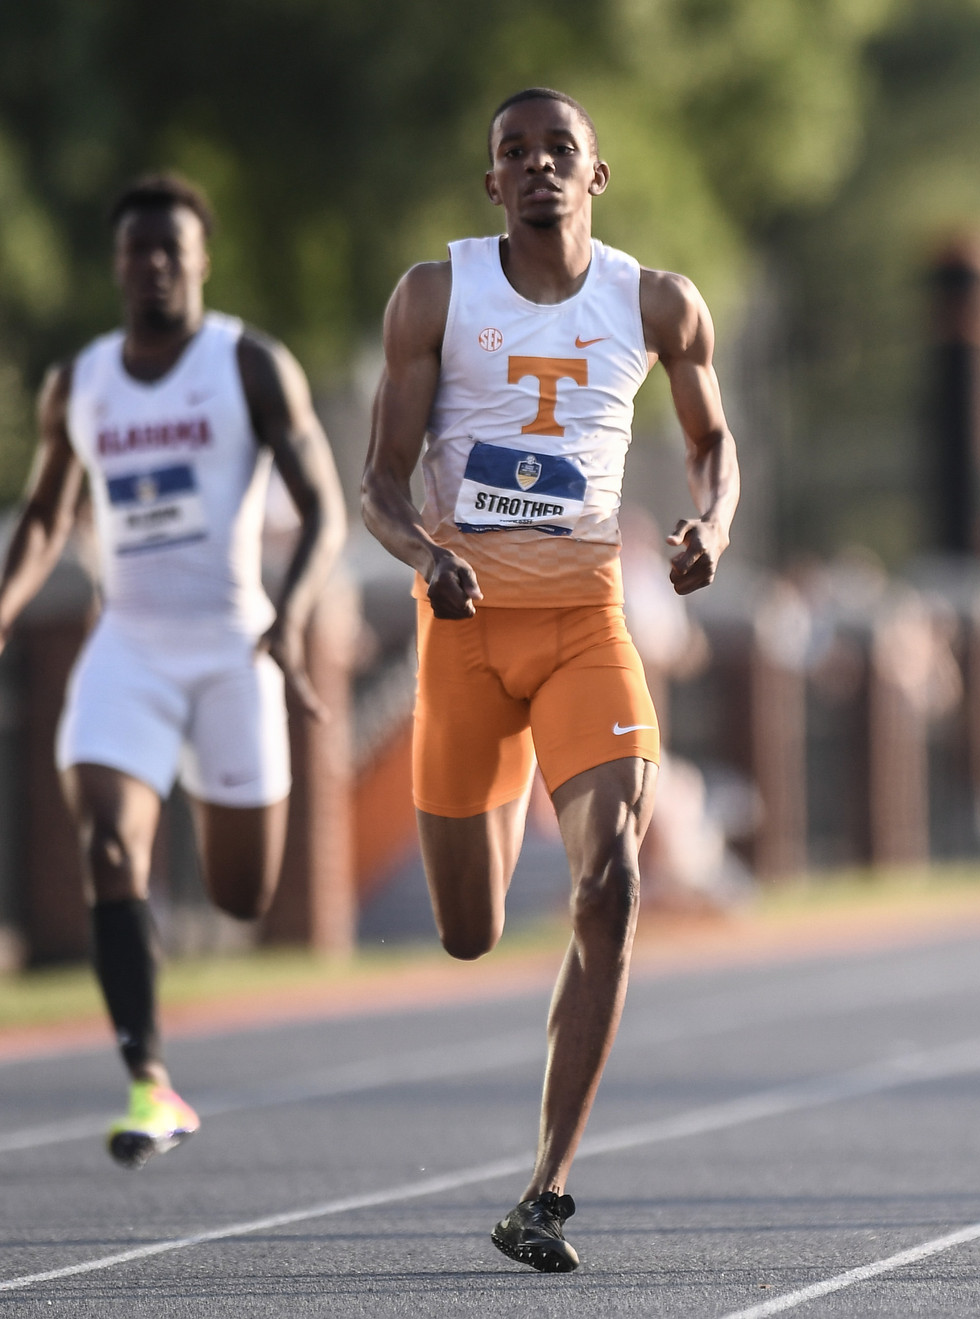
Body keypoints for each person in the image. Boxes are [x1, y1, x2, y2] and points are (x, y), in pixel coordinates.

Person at [360, 87, 738, 1272]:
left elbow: (713, 441)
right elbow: (378, 478)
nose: (536, 167)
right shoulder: (435, 294)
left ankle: (547, 1187)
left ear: (596, 175)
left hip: (585, 626)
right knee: (469, 931)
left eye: (556, 151)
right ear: (492, 184)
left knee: (611, 884)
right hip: (466, 631)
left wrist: (712, 527)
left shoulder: (656, 301)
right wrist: (427, 554)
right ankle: (496, 785)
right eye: (513, 153)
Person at [0, 173, 347, 1168]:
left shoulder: (248, 364)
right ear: (116, 266)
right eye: (134, 251)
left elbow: (321, 503)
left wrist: (291, 613)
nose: (151, 265)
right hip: (130, 649)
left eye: (170, 250)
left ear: (202, 259)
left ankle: (208, 784)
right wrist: (8, 601)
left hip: (235, 647)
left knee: (245, 897)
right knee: (108, 845)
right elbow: (45, 514)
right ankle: (150, 1077)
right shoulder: (81, 382)